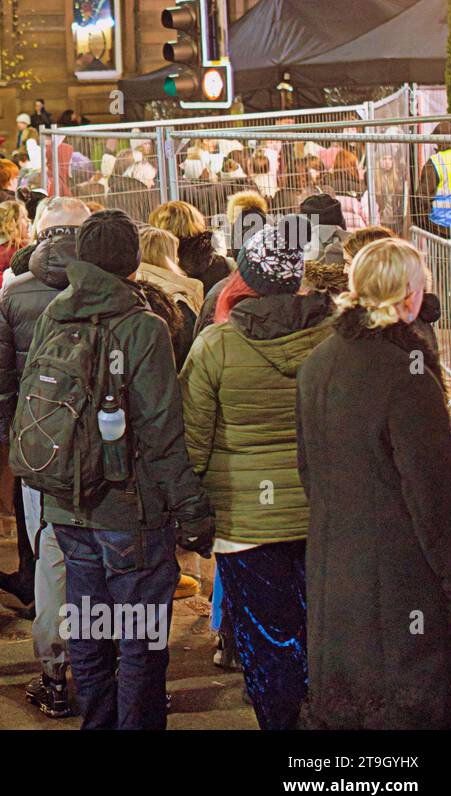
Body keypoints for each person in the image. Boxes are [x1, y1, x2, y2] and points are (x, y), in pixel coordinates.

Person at [21, 209, 214, 729]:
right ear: (133, 265)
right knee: (140, 642)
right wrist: (193, 512)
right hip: (130, 513)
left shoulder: (55, 313)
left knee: (88, 631)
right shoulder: (143, 326)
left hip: (66, 504)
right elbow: (160, 432)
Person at [297, 237, 451, 729]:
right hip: (400, 585)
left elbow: (308, 470)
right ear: (411, 295)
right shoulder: (407, 374)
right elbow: (436, 500)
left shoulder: (318, 364)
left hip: (334, 574)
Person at [180, 219, 330, 730]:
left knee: (267, 641)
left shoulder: (216, 347)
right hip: (323, 516)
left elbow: (192, 442)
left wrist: (189, 510)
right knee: (322, 633)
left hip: (247, 524)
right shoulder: (334, 340)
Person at [0, 195, 89, 716]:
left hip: (39, 456)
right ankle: (109, 670)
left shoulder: (13, 295)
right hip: (105, 457)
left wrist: (15, 436)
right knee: (106, 559)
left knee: (51, 558)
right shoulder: (123, 295)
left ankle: (56, 674)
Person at [135, 226, 203, 364]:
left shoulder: (128, 288)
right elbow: (188, 350)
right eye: (175, 253)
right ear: (168, 257)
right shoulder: (177, 297)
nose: (178, 259)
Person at [414, 121, 451, 245]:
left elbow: (421, 198)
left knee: (444, 262)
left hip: (443, 227)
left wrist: (423, 224)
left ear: (438, 141)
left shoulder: (436, 161)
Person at [0, 199, 29, 294]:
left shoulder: (17, 245)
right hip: (5, 295)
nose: (28, 221)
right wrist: (9, 281)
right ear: (11, 224)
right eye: (23, 218)